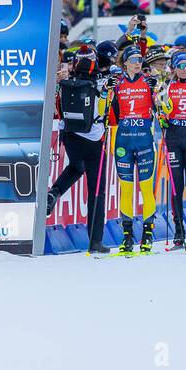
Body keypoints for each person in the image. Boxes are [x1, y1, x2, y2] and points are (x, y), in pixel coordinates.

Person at [46, 45, 111, 254]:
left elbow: (58, 106)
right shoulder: (102, 82)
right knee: (96, 190)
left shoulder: (66, 81)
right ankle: (95, 241)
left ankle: (55, 191)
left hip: (70, 136)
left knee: (76, 166)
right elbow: (109, 110)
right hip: (93, 138)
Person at [107, 46, 158, 253]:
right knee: (126, 189)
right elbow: (107, 112)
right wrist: (106, 92)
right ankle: (127, 236)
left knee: (146, 188)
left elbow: (162, 107)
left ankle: (147, 235)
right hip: (124, 142)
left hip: (144, 141)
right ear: (125, 62)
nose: (138, 63)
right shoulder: (117, 83)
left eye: (140, 59)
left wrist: (157, 91)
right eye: (134, 60)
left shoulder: (148, 82)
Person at [162, 51, 186, 249]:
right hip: (174, 136)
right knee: (177, 187)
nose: (184, 69)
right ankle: (179, 229)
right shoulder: (167, 86)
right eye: (181, 66)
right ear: (174, 68)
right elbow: (160, 108)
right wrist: (161, 117)